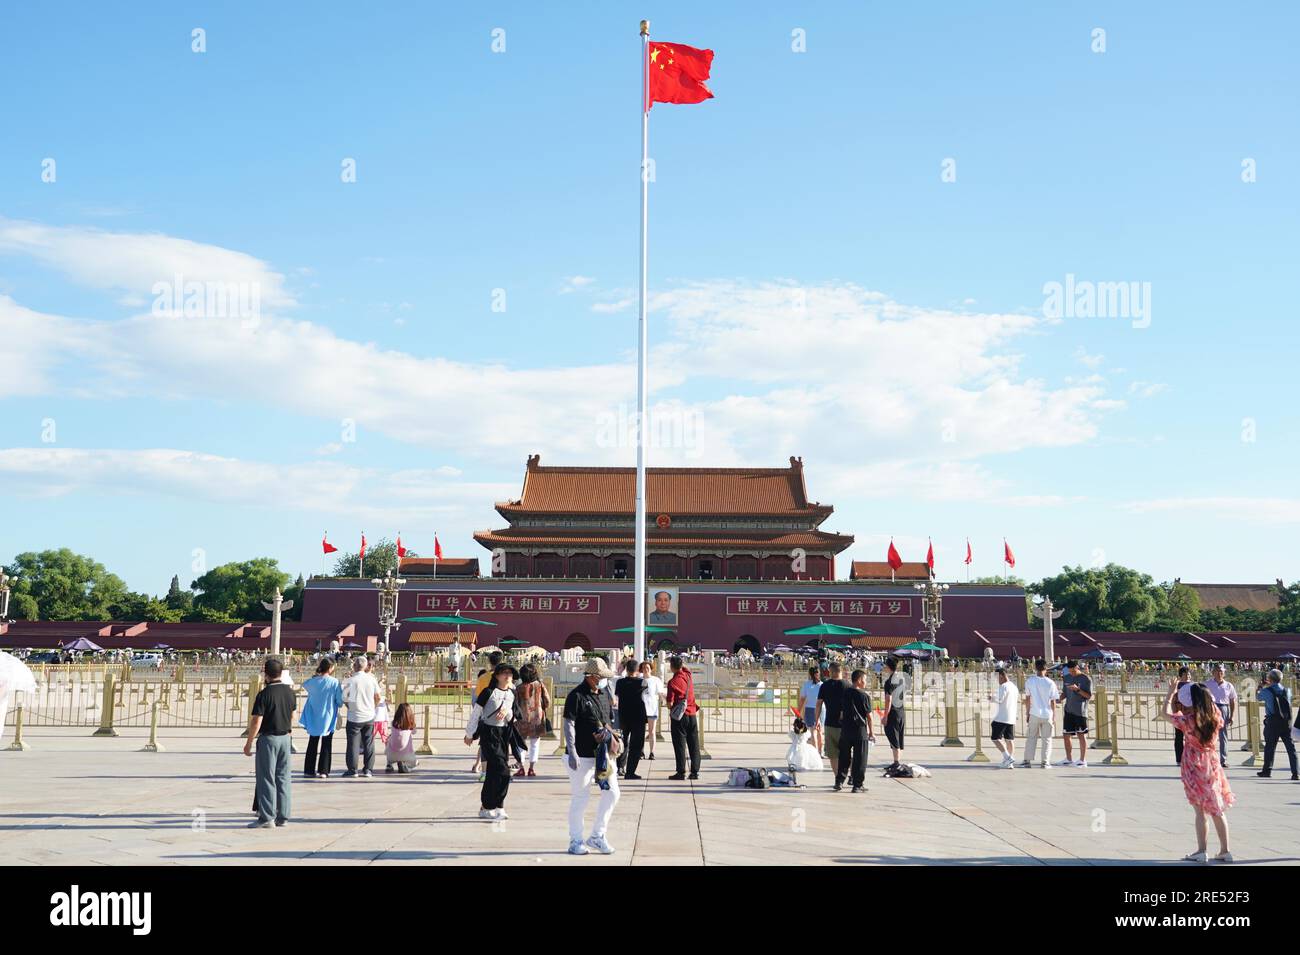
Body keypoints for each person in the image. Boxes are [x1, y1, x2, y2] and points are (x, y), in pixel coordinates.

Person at [1163, 682, 1234, 862]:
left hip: (1194, 764)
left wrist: (1170, 694)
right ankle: (1225, 850)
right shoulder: (1216, 716)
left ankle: (1202, 850)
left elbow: (1165, 714)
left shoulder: (1188, 720)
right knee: (1217, 808)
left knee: (1200, 810)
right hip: (1211, 763)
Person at [564, 657, 620, 855]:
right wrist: (572, 753)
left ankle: (597, 835)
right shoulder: (576, 696)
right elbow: (568, 725)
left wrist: (610, 737)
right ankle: (575, 840)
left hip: (602, 756)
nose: (604, 680)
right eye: (602, 677)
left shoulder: (604, 693)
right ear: (592, 677)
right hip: (581, 756)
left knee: (612, 792)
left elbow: (608, 721)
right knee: (581, 797)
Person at [243, 657, 296, 828]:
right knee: (283, 777)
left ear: (266, 674)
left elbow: (256, 721)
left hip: (269, 739)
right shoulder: (290, 692)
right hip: (285, 738)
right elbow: (293, 715)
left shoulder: (264, 694)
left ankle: (266, 817)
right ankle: (284, 815)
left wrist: (249, 742)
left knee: (266, 778)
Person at [464, 663, 518, 819]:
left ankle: (495, 806)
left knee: (495, 773)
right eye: (504, 673)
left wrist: (507, 711)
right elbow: (476, 713)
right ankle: (490, 806)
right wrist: (470, 733)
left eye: (510, 674)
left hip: (503, 734)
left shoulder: (512, 694)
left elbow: (512, 718)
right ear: (497, 676)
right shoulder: (488, 692)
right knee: (503, 771)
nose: (507, 676)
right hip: (489, 734)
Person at [300, 657, 343, 778]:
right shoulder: (334, 682)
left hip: (314, 715)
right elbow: (339, 701)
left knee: (312, 742)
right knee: (326, 743)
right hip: (328, 716)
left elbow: (305, 685)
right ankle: (323, 770)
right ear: (330, 668)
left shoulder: (313, 681)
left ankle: (309, 770)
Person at [834, 669, 875, 793]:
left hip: (846, 729)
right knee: (860, 758)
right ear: (859, 680)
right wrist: (871, 733)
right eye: (865, 680)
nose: (866, 682)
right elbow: (869, 717)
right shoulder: (864, 696)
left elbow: (841, 714)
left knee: (844, 757)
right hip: (859, 730)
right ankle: (857, 784)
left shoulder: (845, 694)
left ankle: (839, 781)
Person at [342, 656, 381, 778]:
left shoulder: (349, 680)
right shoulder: (371, 679)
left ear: (354, 666)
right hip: (369, 715)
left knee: (353, 744)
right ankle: (368, 769)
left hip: (354, 716)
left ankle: (353, 770)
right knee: (369, 743)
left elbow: (345, 699)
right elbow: (378, 697)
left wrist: (351, 708)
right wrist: (373, 707)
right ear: (365, 666)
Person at [1256, 668, 1298, 780]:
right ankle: (1295, 772)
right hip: (1286, 722)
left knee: (1270, 746)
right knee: (1290, 748)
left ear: (1270, 679)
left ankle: (1267, 770)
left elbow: (1258, 697)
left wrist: (1260, 686)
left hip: (1272, 721)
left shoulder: (1267, 691)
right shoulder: (1287, 691)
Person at [665, 655, 701, 780]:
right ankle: (695, 771)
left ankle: (681, 772)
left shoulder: (672, 682)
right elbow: (685, 668)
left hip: (680, 717)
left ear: (671, 667)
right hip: (692, 713)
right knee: (694, 744)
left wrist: (669, 705)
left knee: (680, 744)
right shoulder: (688, 675)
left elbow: (669, 703)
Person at [1021, 658, 1059, 768]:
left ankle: (1027, 760)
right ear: (1046, 668)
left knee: (1031, 737)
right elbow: (1053, 701)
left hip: (1034, 712)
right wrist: (1054, 716)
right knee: (1047, 739)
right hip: (1047, 714)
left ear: (1035, 668)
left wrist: (1027, 713)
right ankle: (1045, 761)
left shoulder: (1030, 681)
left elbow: (1028, 699)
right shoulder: (1051, 683)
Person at [514, 663, 550, 777]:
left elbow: (515, 704)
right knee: (535, 743)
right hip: (537, 717)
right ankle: (531, 768)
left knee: (520, 744)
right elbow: (547, 701)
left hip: (522, 718)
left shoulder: (518, 688)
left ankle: (521, 768)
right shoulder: (539, 685)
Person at [614, 659, 648, 780]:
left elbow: (617, 695)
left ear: (626, 669)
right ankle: (630, 771)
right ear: (638, 670)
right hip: (638, 717)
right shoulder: (642, 682)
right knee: (636, 744)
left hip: (624, 716)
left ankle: (620, 767)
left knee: (623, 742)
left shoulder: (620, 683)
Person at [1058, 660, 1092, 767]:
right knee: (1066, 734)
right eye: (1070, 671)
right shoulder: (1067, 677)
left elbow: (1088, 696)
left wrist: (1077, 690)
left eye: (1073, 671)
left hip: (1080, 711)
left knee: (1081, 735)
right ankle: (1069, 758)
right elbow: (1065, 693)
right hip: (1069, 710)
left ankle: (1082, 760)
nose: (1071, 673)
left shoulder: (1086, 679)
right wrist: (1058, 699)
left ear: (1077, 667)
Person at [817, 662, 847, 777]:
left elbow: (819, 703)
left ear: (832, 671)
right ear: (841, 671)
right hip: (845, 725)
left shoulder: (825, 685)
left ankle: (837, 777)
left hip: (829, 724)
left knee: (832, 754)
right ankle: (847, 774)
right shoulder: (847, 685)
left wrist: (817, 720)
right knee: (845, 752)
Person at [1205, 665, 1237, 769]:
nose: (1219, 674)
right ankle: (1209, 759)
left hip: (1224, 708)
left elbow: (1232, 701)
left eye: (1221, 672)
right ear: (1213, 672)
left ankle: (1223, 759)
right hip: (1212, 708)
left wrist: (1232, 715)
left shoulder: (1229, 685)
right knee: (1209, 736)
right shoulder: (1207, 684)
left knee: (1223, 736)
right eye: (1217, 671)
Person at [989, 667, 1020, 768]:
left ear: (1001, 675)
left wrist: (991, 698)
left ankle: (1007, 757)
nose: (997, 681)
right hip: (1011, 716)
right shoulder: (1014, 687)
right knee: (1009, 739)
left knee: (995, 738)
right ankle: (1009, 763)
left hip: (1002, 716)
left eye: (997, 678)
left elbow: (999, 699)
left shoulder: (1004, 686)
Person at [880, 658, 907, 768]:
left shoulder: (889, 682)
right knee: (899, 737)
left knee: (893, 736)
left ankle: (896, 762)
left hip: (893, 712)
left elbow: (888, 699)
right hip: (901, 711)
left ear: (888, 667)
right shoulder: (901, 680)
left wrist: (885, 716)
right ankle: (897, 761)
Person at [639, 660, 666, 761]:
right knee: (640, 732)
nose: (646, 670)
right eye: (644, 668)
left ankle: (652, 752)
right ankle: (641, 752)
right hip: (641, 709)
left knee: (652, 731)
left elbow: (660, 693)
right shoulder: (638, 679)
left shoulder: (656, 680)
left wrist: (667, 700)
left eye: (647, 668)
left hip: (652, 709)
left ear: (651, 669)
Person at [385, 702, 418, 773]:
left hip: (391, 755)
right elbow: (415, 732)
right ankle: (406, 767)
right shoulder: (411, 725)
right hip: (406, 755)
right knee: (416, 763)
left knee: (390, 738)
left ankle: (389, 764)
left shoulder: (393, 723)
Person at [798, 666, 823, 755]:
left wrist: (799, 711)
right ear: (818, 674)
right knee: (820, 731)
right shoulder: (822, 685)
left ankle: (815, 753)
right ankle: (820, 751)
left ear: (809, 674)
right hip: (821, 709)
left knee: (813, 732)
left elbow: (802, 699)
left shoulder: (807, 685)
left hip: (810, 709)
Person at [1172, 667, 1192, 765]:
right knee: (1179, 737)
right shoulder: (1176, 687)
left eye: (1188, 674)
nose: (1187, 676)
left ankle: (1189, 758)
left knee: (1191, 738)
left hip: (1190, 715)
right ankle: (1179, 759)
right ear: (1180, 676)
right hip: (1179, 714)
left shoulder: (1193, 686)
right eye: (1185, 674)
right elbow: (1173, 700)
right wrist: (1175, 713)